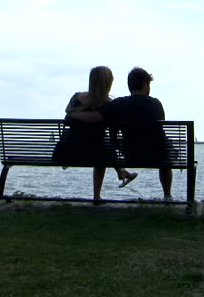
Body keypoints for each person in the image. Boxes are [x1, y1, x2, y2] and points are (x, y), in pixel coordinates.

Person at [70, 67, 172, 201]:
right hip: (156, 156)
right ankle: (167, 195)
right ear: (146, 84)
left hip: (131, 155)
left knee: (106, 145)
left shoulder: (119, 104)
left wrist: (73, 114)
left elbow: (94, 117)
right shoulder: (156, 104)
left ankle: (101, 192)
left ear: (130, 86)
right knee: (165, 153)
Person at [55, 66, 137, 203]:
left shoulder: (76, 98)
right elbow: (113, 134)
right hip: (95, 152)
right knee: (104, 147)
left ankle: (122, 172)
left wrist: (77, 113)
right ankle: (98, 195)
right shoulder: (109, 105)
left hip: (69, 150)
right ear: (108, 83)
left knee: (101, 146)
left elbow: (67, 114)